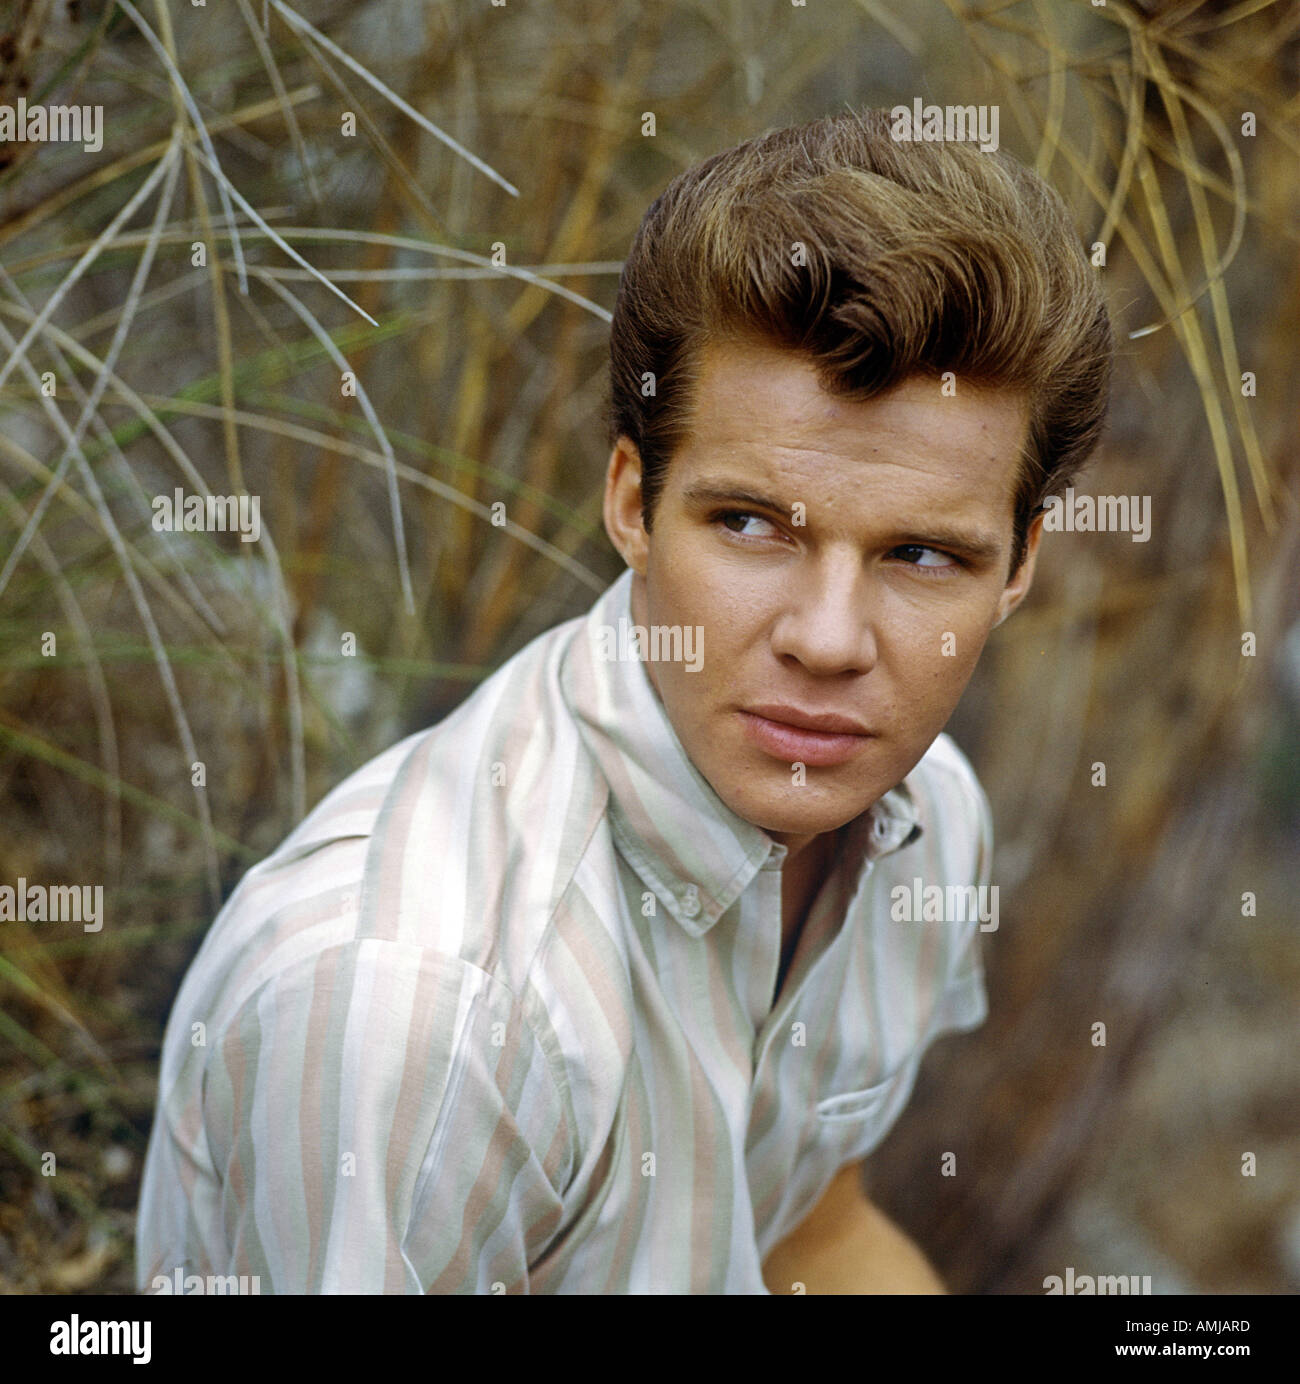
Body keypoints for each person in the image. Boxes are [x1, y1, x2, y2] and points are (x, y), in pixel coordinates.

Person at [135, 106, 1112, 1294]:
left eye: (922, 556)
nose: (825, 640)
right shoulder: (420, 1020)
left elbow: (815, 1236)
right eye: (749, 524)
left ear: (1017, 567)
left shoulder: (928, 818)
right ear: (630, 504)